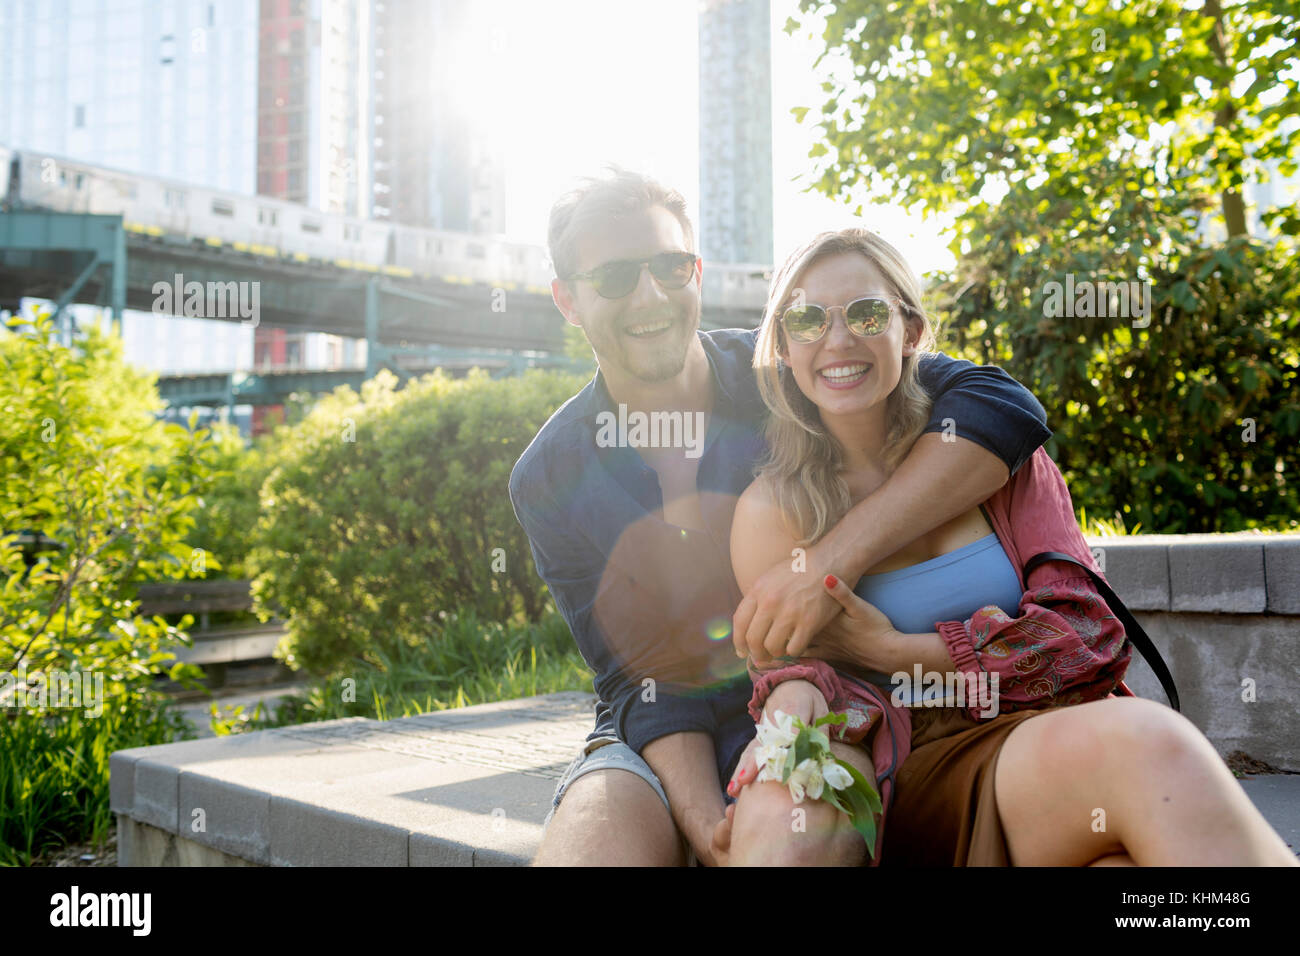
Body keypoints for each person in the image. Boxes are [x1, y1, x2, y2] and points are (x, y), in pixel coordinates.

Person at [507, 167, 1054, 866]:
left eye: (670, 266)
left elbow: (1000, 407)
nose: (650, 295)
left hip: (831, 705)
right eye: (615, 277)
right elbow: (635, 681)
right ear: (567, 301)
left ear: (696, 271)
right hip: (666, 746)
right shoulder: (549, 477)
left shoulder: (789, 374)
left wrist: (828, 561)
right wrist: (706, 825)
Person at [717, 227, 1300, 866]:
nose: (838, 339)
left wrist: (899, 650)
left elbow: (1088, 639)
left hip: (1046, 736)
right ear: (783, 347)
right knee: (1149, 745)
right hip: (909, 757)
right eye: (805, 319)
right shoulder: (773, 511)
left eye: (866, 312)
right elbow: (799, 673)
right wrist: (788, 721)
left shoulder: (995, 460)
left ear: (908, 330)